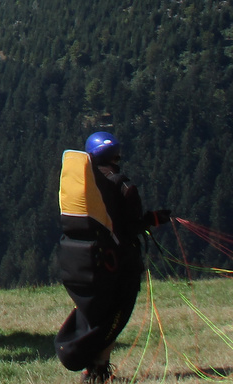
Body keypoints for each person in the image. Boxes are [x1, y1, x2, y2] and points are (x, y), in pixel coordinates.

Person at [55, 133, 170, 382]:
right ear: (116, 155)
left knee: (95, 314)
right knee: (113, 318)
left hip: (83, 262)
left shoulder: (84, 185)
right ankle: (97, 370)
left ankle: (92, 367)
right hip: (118, 265)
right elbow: (131, 227)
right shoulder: (124, 186)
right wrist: (154, 219)